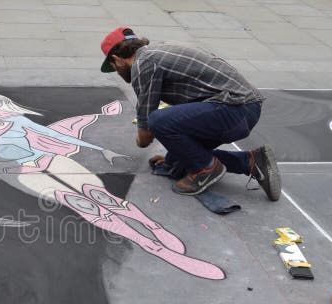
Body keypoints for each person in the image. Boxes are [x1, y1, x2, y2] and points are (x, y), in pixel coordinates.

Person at [0, 89, 225, 279]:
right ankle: (158, 250)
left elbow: (53, 135)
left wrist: (103, 151)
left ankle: (152, 227)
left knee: (102, 196)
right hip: (21, 172)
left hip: (50, 160)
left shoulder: (16, 118)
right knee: (85, 206)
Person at [99, 26, 281, 200]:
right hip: (242, 109)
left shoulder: (143, 63)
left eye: (114, 66)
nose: (116, 71)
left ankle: (206, 169)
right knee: (178, 163)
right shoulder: (157, 51)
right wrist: (178, 154)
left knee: (158, 120)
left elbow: (146, 132)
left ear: (117, 59)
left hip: (234, 109)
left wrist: (140, 139)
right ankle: (252, 162)